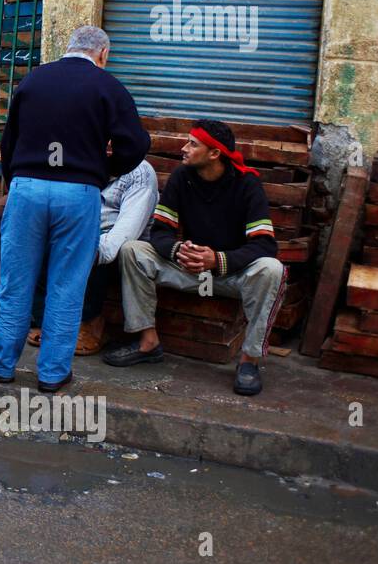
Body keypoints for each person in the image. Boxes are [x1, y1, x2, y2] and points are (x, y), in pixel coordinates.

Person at [0, 25, 150, 393]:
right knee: (67, 285)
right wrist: (103, 171)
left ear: (67, 48)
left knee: (16, 281)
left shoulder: (34, 80)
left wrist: (22, 178)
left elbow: (9, 140)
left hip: (27, 190)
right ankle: (52, 374)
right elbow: (136, 144)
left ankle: (0, 361)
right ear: (102, 55)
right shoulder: (108, 86)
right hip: (78, 193)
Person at [104, 120, 284, 397]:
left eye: (192, 144)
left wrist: (219, 259)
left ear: (214, 153)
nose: (183, 148)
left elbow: (264, 245)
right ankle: (148, 342)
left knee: (272, 269)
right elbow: (161, 232)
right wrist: (179, 250)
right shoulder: (182, 177)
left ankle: (249, 361)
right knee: (133, 250)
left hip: (229, 274)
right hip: (188, 268)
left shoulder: (247, 184)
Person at [22, 158, 159, 354]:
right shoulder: (81, 159)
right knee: (41, 237)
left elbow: (127, 229)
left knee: (93, 247)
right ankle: (45, 320)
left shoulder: (140, 172)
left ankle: (89, 323)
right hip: (77, 230)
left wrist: (91, 249)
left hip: (114, 241)